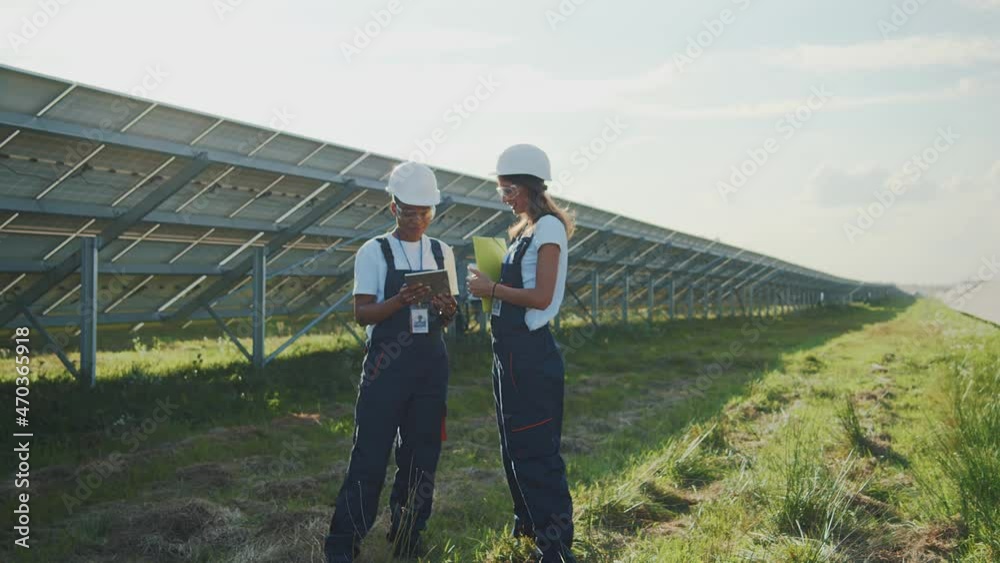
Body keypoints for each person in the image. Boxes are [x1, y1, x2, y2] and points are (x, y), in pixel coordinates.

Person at [325, 162, 459, 563]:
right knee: (369, 455)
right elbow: (362, 313)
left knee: (422, 456)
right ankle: (343, 546)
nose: (417, 219)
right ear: (393, 208)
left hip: (431, 365)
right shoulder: (374, 251)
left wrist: (446, 307)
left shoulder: (442, 251)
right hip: (386, 365)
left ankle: (407, 537)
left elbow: (448, 318)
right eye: (409, 211)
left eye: (425, 212)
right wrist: (400, 300)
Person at [467, 144, 577, 562]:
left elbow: (541, 294)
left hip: (530, 354)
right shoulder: (524, 232)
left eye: (509, 189)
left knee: (536, 448)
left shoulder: (548, 229)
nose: (505, 198)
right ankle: (531, 527)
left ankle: (556, 548)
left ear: (530, 186)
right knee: (513, 444)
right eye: (500, 191)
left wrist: (492, 289)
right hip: (508, 353)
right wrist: (489, 279)